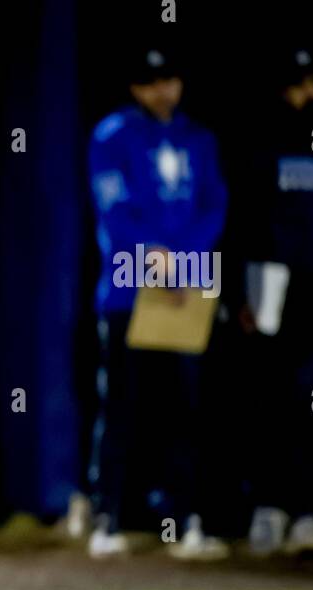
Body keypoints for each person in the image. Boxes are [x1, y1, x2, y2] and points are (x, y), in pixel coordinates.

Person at [85, 47, 229, 560]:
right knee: (123, 404)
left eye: (169, 80)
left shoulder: (200, 139)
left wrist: (182, 260)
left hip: (188, 283)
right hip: (129, 282)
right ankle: (108, 519)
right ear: (134, 88)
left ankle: (186, 522)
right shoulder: (112, 135)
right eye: (151, 82)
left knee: (187, 407)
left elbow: (214, 206)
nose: (162, 91)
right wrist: (154, 255)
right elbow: (113, 206)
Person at [231, 48, 313, 557]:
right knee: (270, 400)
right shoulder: (265, 149)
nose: (311, 95)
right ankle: (270, 506)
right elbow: (243, 223)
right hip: (273, 291)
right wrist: (241, 295)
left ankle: (310, 510)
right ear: (285, 93)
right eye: (300, 85)